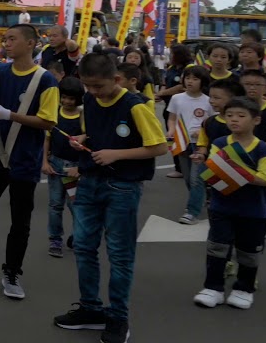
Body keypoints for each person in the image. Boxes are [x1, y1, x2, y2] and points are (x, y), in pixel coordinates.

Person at [53, 54, 167, 343]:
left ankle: (118, 317)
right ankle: (90, 308)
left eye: (98, 86)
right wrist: (83, 139)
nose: (92, 92)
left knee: (119, 254)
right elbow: (94, 133)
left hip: (123, 187)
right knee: (84, 246)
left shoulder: (136, 106)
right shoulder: (89, 101)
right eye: (87, 86)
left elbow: (158, 147)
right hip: (90, 181)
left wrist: (116, 154)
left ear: (117, 79)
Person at [0, 24, 59, 299]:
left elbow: (47, 121)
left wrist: (9, 115)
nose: (6, 43)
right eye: (4, 39)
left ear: (31, 43)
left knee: (20, 221)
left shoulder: (46, 80)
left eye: (12, 39)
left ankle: (12, 273)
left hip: (25, 161)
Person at [192, 96, 266, 310]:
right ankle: (213, 288)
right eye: (229, 116)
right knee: (217, 247)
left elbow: (265, 179)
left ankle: (244, 289)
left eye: (241, 116)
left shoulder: (263, 149)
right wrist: (236, 173)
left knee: (249, 252)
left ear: (256, 120)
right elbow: (212, 171)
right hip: (221, 206)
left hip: (254, 210)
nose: (234, 120)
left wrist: (231, 170)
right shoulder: (219, 143)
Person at [44, 76, 86, 258]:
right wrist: (44, 162)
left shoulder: (83, 116)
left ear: (78, 99)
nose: (66, 102)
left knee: (76, 206)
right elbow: (47, 138)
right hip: (55, 163)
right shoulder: (54, 113)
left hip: (74, 168)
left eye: (71, 98)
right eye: (64, 97)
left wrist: (81, 168)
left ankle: (78, 237)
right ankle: (55, 239)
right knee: (55, 205)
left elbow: (87, 141)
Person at [169, 65, 214, 224]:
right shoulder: (177, 98)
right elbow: (172, 118)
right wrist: (171, 130)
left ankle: (191, 211)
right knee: (188, 178)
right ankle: (201, 196)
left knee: (196, 178)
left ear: (203, 81)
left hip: (200, 145)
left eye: (195, 79)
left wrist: (202, 132)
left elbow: (213, 121)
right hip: (182, 143)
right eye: (187, 78)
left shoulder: (209, 100)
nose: (190, 81)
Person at [159, 44, 195, 178]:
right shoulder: (171, 68)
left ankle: (188, 167)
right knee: (172, 136)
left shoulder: (189, 68)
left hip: (185, 109)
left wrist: (163, 93)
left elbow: (182, 86)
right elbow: (165, 82)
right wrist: (162, 92)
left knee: (187, 137)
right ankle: (179, 167)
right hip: (170, 107)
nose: (170, 56)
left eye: (172, 54)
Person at [237, 68, 266, 142]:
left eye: (257, 84)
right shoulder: (233, 108)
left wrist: (261, 149)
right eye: (247, 84)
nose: (252, 88)